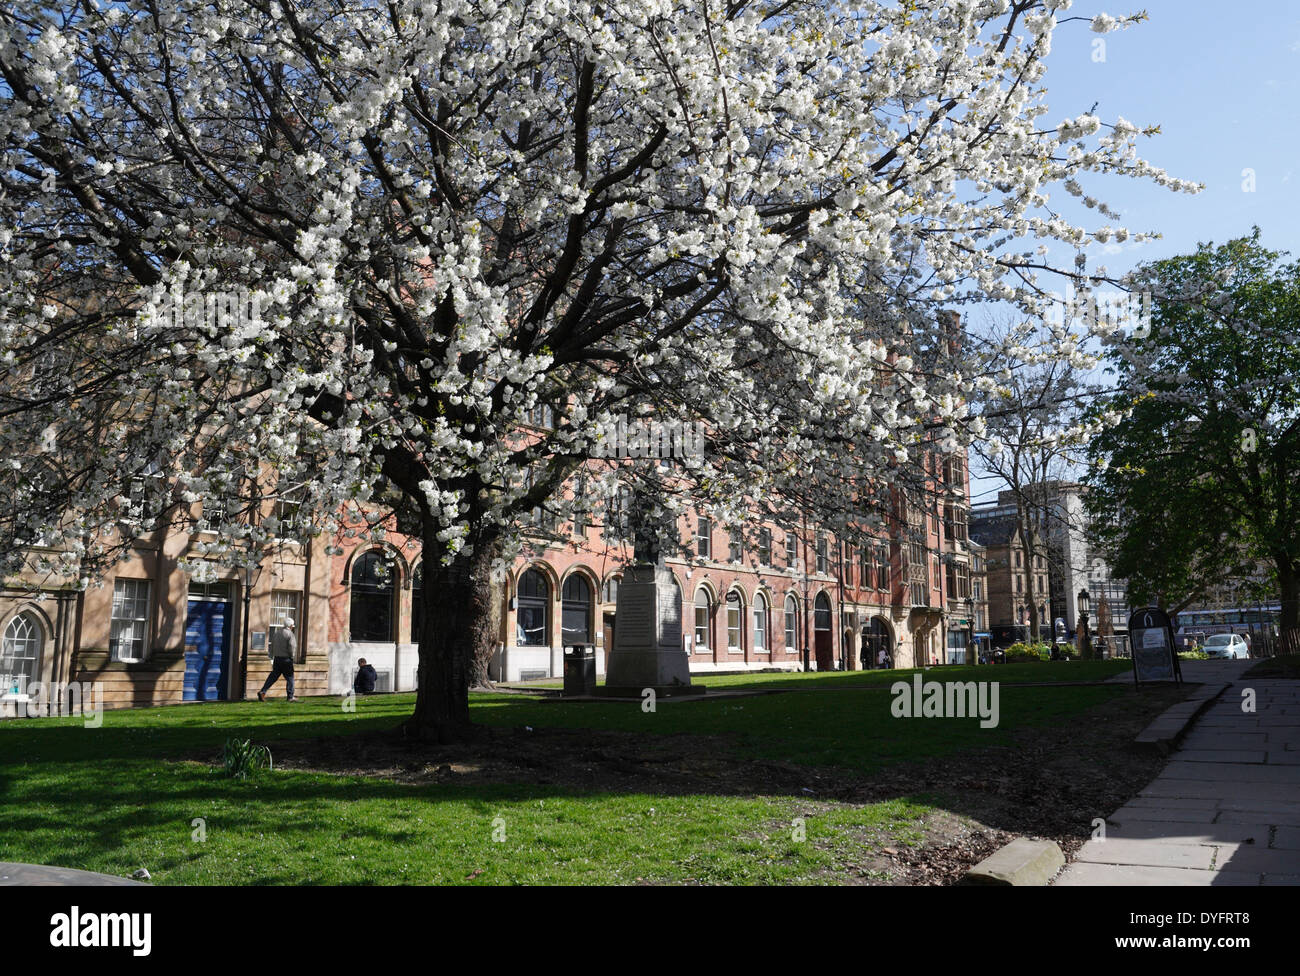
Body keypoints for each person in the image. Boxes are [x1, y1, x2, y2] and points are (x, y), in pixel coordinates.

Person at [258, 619, 297, 702]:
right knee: (290, 678)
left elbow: (272, 646)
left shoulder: (277, 633)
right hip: (286, 659)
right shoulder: (290, 634)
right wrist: (292, 656)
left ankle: (263, 691)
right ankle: (290, 696)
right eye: (292, 626)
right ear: (290, 626)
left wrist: (272, 655)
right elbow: (292, 647)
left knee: (273, 677)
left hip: (277, 658)